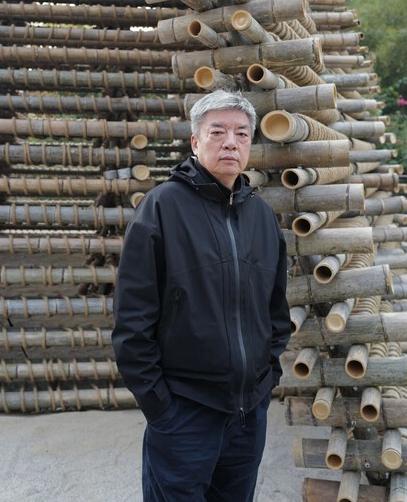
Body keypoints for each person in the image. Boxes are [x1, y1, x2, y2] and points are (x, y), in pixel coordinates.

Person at [112, 89, 291, 501]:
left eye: (242, 134)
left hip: (247, 414)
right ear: (195, 141)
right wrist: (162, 409)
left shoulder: (262, 216)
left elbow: (276, 311)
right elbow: (132, 323)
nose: (231, 142)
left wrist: (266, 382)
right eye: (218, 132)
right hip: (185, 412)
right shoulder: (161, 209)